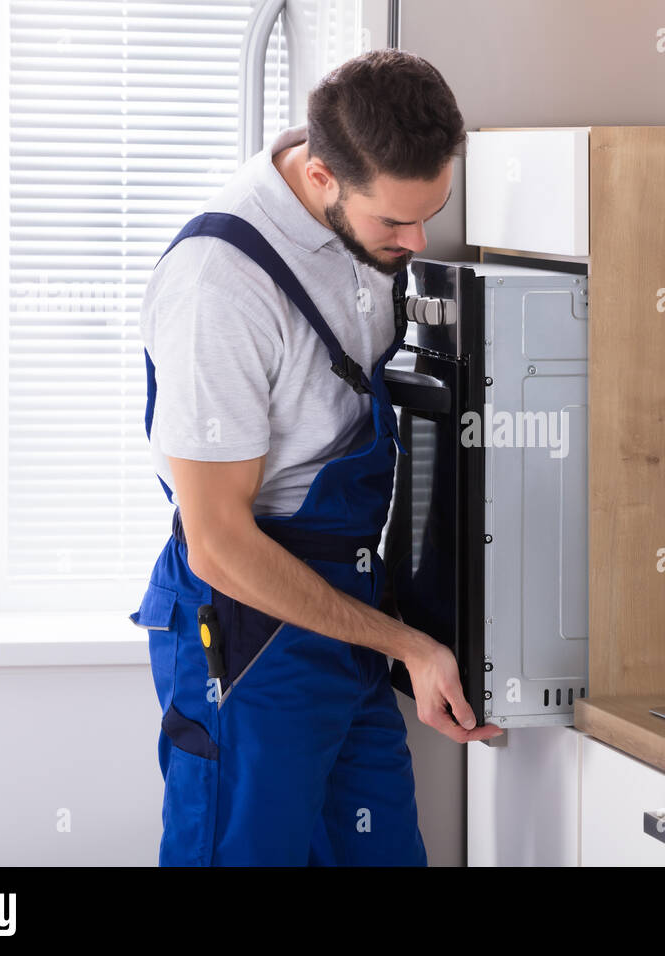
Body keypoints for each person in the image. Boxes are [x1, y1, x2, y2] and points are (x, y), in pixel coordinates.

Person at [131, 48, 501, 867]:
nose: (418, 238)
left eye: (429, 212)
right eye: (394, 224)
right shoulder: (220, 285)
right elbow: (219, 544)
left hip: (351, 619)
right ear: (324, 177)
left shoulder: (363, 202)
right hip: (250, 630)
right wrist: (407, 645)